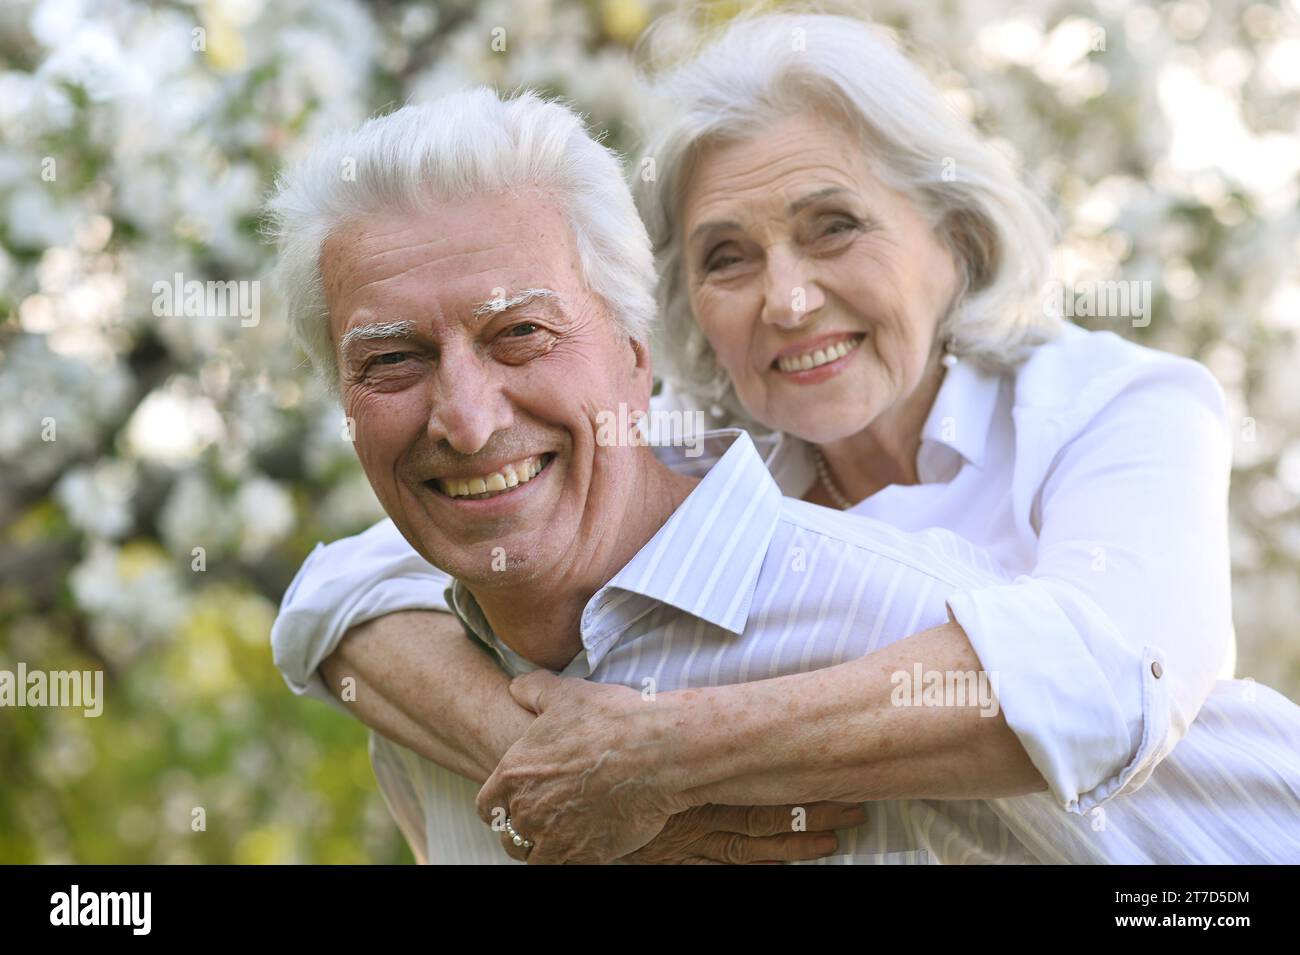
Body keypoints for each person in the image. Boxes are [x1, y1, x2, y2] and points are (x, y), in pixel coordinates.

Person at [267, 14, 1298, 864]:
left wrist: (660, 757)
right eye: (727, 257)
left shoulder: (1114, 404)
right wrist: (533, 755)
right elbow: (341, 588)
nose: (790, 299)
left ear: (951, 233)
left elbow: (1110, 688)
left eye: (833, 226)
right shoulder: (700, 445)